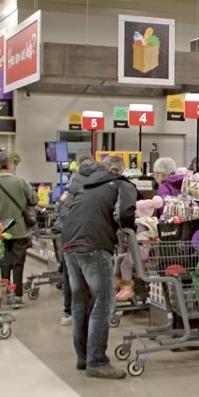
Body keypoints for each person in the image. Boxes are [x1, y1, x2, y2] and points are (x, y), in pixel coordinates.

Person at [61, 155, 137, 379]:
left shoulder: (88, 184)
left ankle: (83, 357)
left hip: (69, 243)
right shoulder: (123, 184)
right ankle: (97, 361)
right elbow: (124, 213)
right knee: (104, 301)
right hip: (93, 243)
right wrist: (126, 231)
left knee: (80, 301)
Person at [0, 153, 37, 303]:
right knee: (18, 263)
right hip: (19, 229)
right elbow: (34, 200)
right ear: (9, 166)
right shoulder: (21, 182)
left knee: (4, 262)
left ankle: (5, 293)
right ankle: (17, 295)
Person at [55, 153, 100, 326]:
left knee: (71, 277)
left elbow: (62, 214)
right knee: (89, 277)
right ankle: (91, 312)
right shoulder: (93, 191)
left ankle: (69, 312)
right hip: (87, 240)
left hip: (68, 239)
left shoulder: (70, 191)